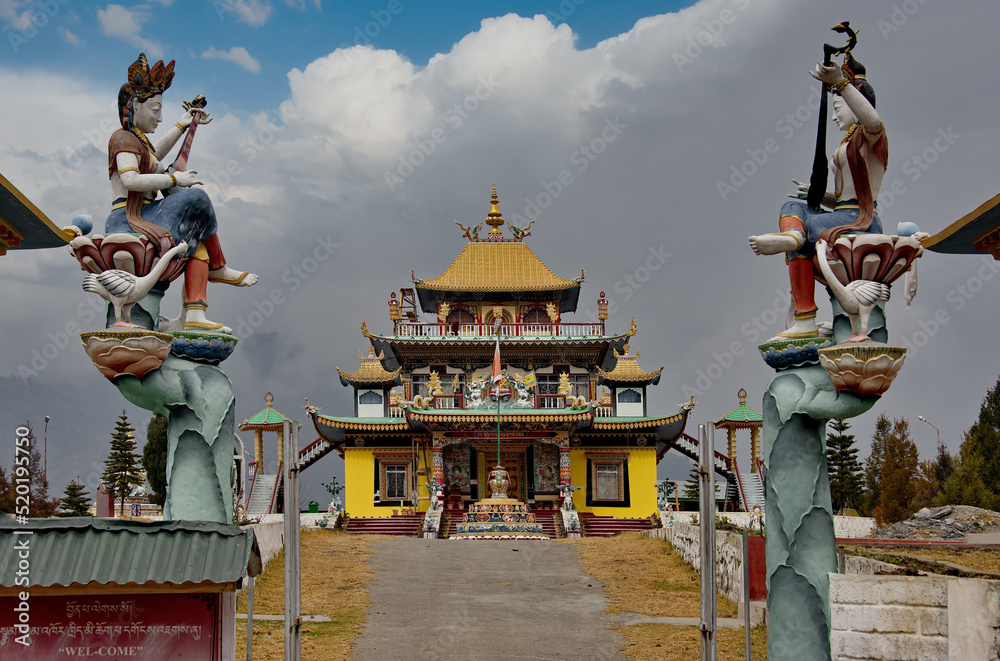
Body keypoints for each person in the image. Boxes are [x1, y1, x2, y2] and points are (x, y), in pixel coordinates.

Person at [106, 53, 257, 332]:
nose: (159, 118)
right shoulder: (122, 138)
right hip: (128, 218)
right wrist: (174, 178)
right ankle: (218, 267)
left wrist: (183, 125)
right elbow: (130, 179)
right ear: (135, 106)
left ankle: (195, 313)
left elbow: (155, 157)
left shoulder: (138, 141)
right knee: (197, 198)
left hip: (145, 214)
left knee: (196, 243)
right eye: (155, 110)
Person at [749, 54, 887, 339]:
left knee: (802, 229)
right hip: (842, 214)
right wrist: (821, 196)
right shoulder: (848, 142)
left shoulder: (871, 137)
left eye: (838, 108)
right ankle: (795, 243)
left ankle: (797, 245)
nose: (835, 116)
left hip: (860, 220)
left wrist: (841, 84)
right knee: (792, 206)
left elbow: (873, 120)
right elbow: (843, 199)